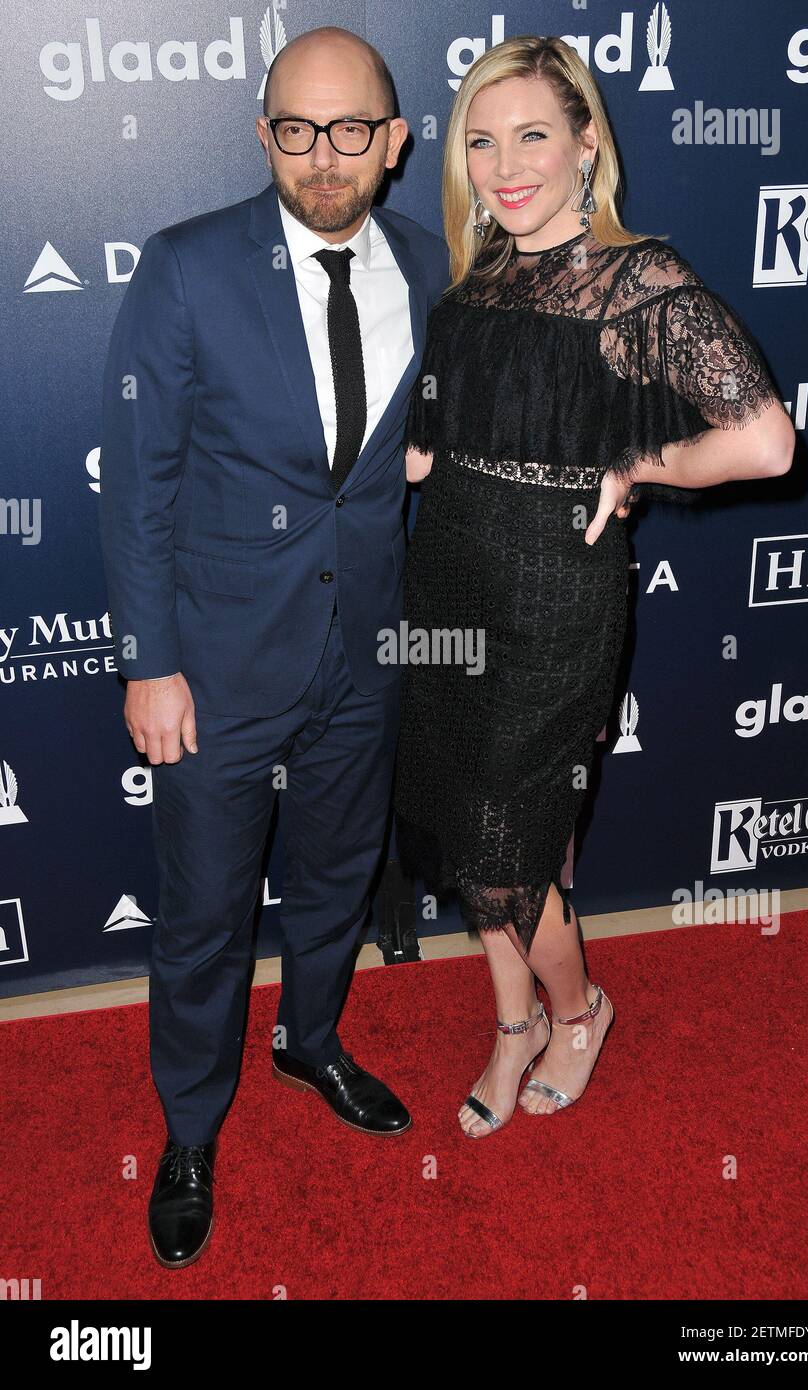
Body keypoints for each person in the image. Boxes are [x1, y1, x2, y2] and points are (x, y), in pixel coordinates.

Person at [393, 35, 794, 1139]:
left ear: (584, 146)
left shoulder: (636, 278)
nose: (504, 167)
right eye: (481, 142)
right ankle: (511, 1022)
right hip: (447, 580)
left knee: (503, 846)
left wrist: (636, 465)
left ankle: (578, 1013)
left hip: (553, 600)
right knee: (460, 820)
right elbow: (424, 451)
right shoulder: (476, 280)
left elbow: (764, 441)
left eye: (531, 136)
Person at [98, 26, 449, 1267]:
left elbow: (404, 442)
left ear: (393, 141)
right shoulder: (187, 268)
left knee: (338, 874)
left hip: (367, 649)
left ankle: (311, 1040)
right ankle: (191, 1127)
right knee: (202, 913)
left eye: (350, 130)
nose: (323, 156)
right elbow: (138, 482)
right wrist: (148, 662)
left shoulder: (428, 261)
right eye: (296, 130)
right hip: (215, 665)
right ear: (263, 135)